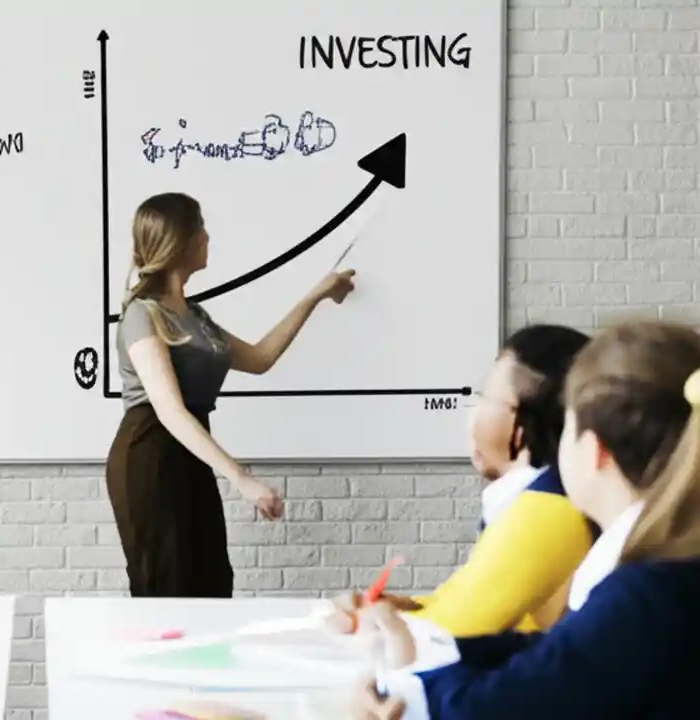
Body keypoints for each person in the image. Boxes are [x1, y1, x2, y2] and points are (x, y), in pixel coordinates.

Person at [353, 320, 700, 719]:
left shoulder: (646, 593)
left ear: (593, 451)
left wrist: (411, 680)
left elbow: (497, 706)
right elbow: (551, 651)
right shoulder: (665, 570)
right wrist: (421, 651)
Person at [105, 192, 356, 598]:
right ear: (180, 240)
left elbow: (260, 358)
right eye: (200, 228)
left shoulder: (196, 316)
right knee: (169, 586)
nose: (207, 237)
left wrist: (316, 296)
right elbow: (168, 411)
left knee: (209, 582)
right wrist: (242, 479)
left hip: (190, 452)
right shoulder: (142, 314)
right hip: (149, 454)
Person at [329, 325, 595, 636]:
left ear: (521, 426)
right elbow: (466, 604)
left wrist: (375, 623)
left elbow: (451, 636)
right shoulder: (541, 500)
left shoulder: (548, 510)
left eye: (485, 397)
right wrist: (401, 608)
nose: (473, 413)